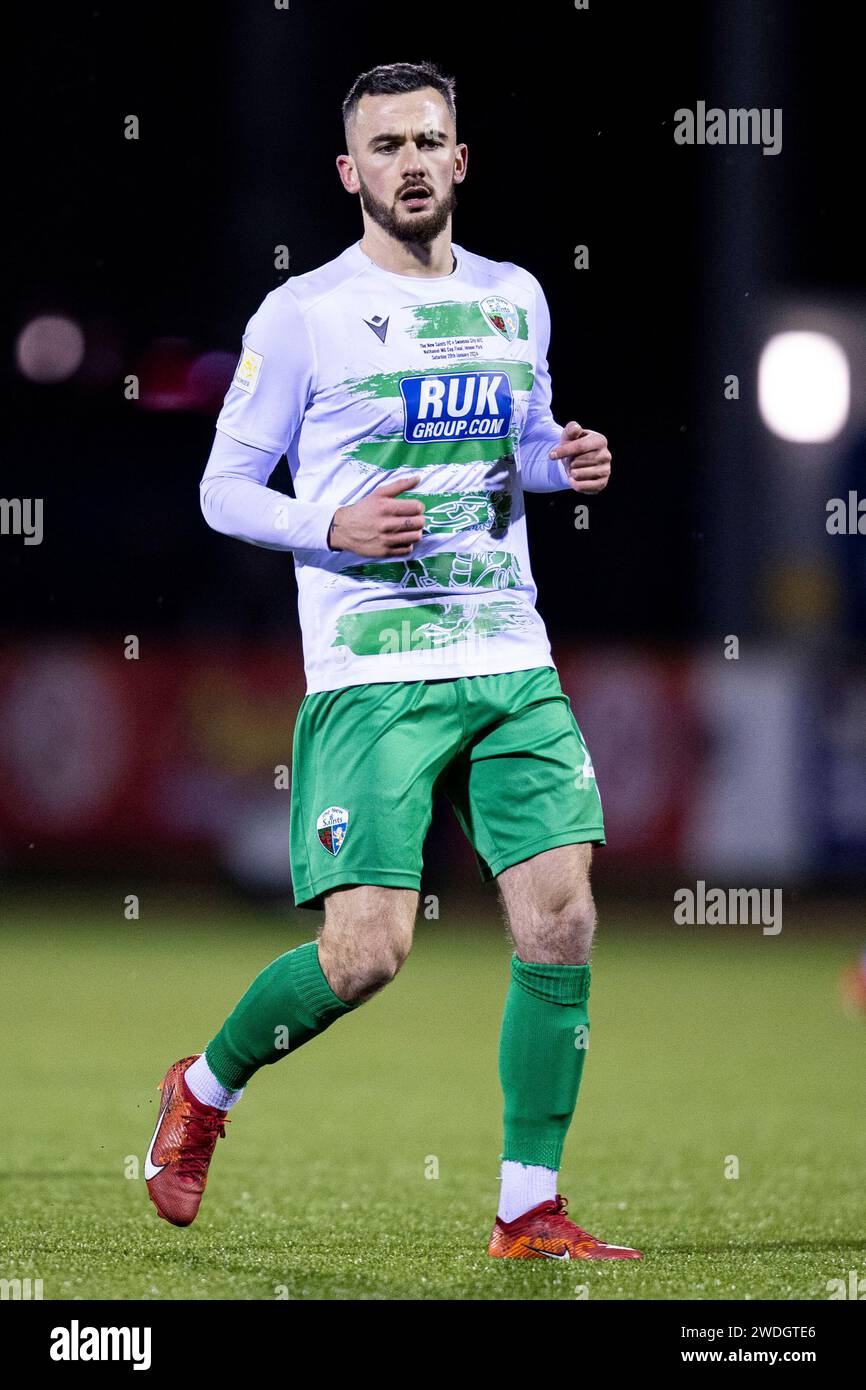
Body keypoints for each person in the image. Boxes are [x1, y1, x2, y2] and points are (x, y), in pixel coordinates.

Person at [144, 59, 641, 1261]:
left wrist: (557, 461)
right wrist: (331, 523)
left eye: (429, 142)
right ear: (349, 172)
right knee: (366, 955)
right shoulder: (301, 313)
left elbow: (511, 448)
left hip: (507, 652)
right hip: (373, 673)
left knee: (560, 918)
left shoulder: (516, 297)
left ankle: (527, 1206)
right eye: (386, 147)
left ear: (459, 159)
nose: (410, 163)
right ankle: (203, 1091)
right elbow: (221, 489)